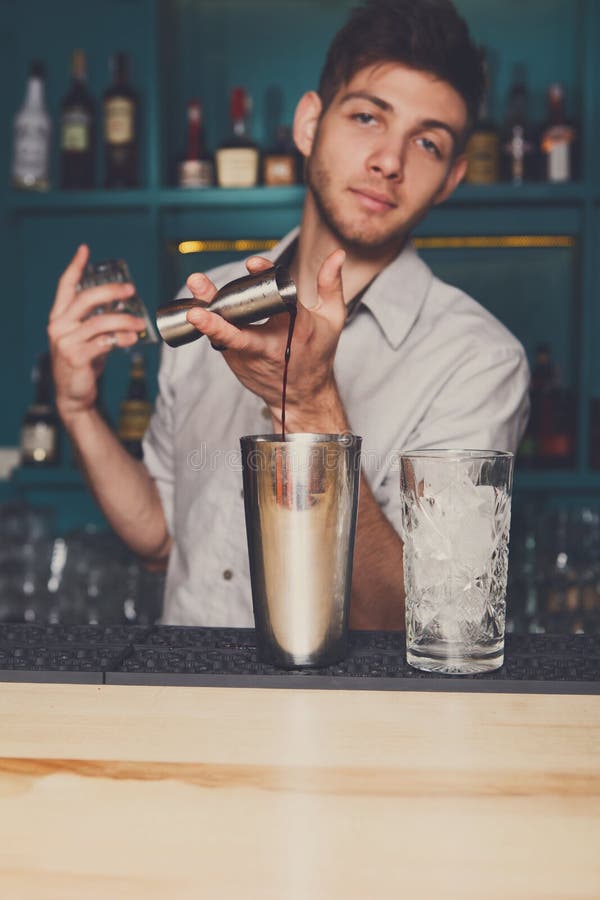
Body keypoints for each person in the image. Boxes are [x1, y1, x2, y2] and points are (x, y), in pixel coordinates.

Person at [48, 0, 529, 630]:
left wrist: (310, 409)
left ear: (450, 178)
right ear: (309, 123)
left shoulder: (479, 363)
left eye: (427, 141)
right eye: (366, 117)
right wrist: (79, 411)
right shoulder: (211, 299)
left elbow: (429, 624)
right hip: (174, 710)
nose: (390, 160)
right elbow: (164, 538)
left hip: (342, 726)